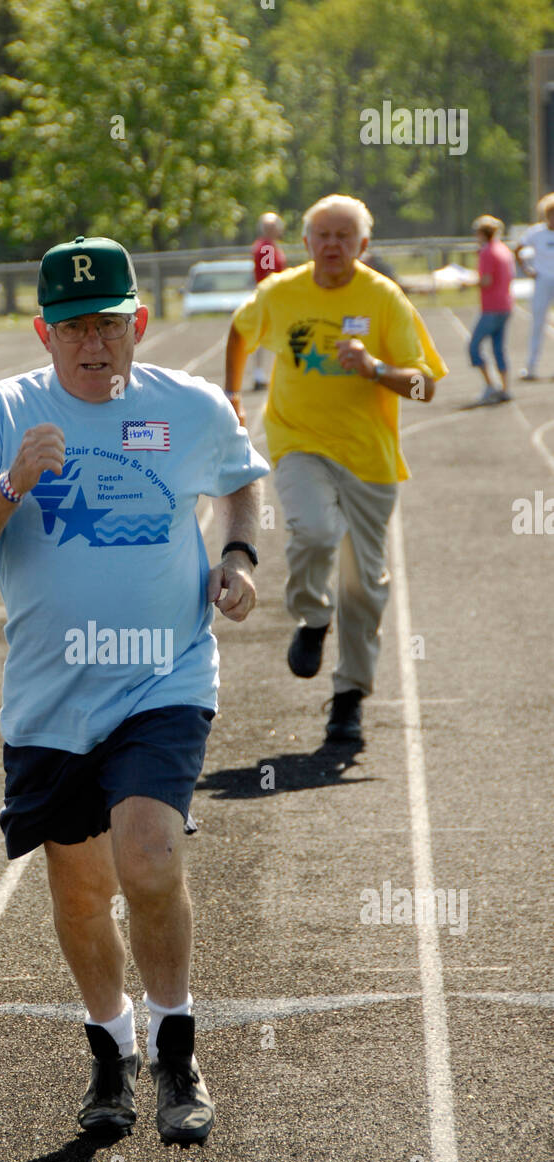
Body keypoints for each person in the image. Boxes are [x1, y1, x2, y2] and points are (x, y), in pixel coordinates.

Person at [0, 235, 268, 1144]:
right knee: (81, 893)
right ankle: (108, 1052)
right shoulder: (1, 413)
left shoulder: (188, 407)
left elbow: (239, 484)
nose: (94, 345)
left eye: (110, 325)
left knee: (149, 856)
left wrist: (237, 556)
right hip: (50, 697)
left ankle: (176, 1047)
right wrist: (10, 486)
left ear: (139, 324)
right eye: (75, 327)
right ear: (44, 332)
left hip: (165, 675)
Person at [224, 194, 447, 747]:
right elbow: (239, 329)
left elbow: (426, 386)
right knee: (315, 530)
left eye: (345, 236)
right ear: (305, 243)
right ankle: (311, 615)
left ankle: (348, 699)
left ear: (364, 245)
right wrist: (232, 394)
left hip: (370, 459)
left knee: (364, 586)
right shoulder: (281, 292)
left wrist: (376, 368)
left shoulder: (384, 298)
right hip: (299, 441)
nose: (332, 245)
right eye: (322, 234)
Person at [467, 216, 514, 406]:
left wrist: (467, 282)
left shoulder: (487, 252)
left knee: (473, 346)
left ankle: (490, 385)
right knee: (498, 349)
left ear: (481, 233)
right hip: (506, 304)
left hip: (492, 307)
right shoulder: (503, 249)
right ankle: (504, 388)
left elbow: (486, 280)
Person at [514, 192, 554, 380]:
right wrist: (527, 269)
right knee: (537, 323)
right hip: (542, 280)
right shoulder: (536, 232)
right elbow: (518, 248)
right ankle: (531, 367)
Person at [250, 213, 287, 389]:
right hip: (270, 297)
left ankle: (263, 373)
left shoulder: (269, 246)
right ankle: (260, 373)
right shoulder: (266, 247)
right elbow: (267, 275)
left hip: (272, 296)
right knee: (266, 335)